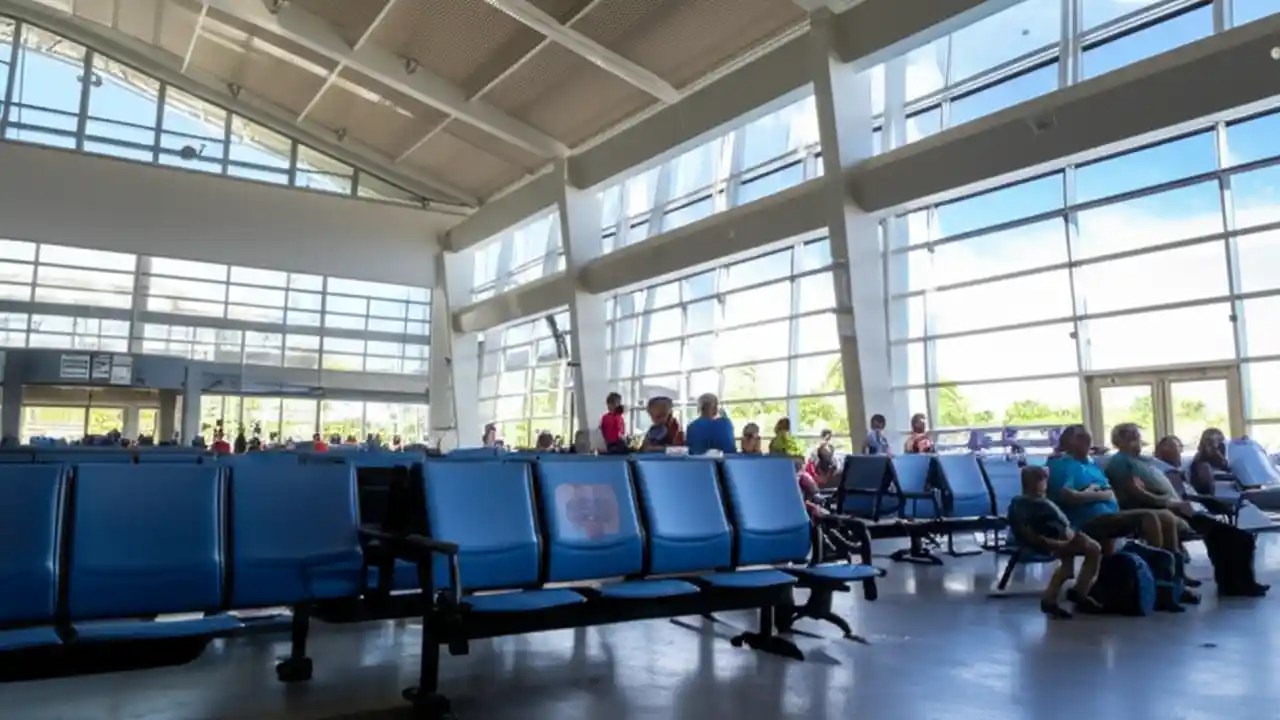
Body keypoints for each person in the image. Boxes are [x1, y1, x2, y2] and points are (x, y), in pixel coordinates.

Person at [1113, 427, 1268, 597]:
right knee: (1236, 538)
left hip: (1179, 507)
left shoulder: (1142, 461)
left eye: (1137, 435)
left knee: (1233, 538)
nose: (1136, 438)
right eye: (1130, 436)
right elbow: (1136, 493)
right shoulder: (1121, 462)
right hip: (1165, 510)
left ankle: (1235, 584)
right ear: (1118, 441)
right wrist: (1170, 502)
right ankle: (1235, 585)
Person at [1047, 425, 1181, 559]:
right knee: (1148, 517)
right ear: (1066, 442)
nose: (1087, 440)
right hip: (1085, 521)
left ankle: (1175, 570)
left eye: (1088, 437)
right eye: (1080, 437)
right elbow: (1068, 496)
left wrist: (1096, 493)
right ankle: (1157, 571)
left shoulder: (1090, 463)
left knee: (1165, 517)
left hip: (1110, 514)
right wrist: (1099, 494)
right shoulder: (1060, 464)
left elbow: (1109, 490)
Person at [1007, 466, 1104, 619]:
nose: (1045, 485)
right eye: (1042, 481)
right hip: (1050, 542)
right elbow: (1031, 532)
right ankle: (1069, 595)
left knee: (1087, 553)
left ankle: (1072, 594)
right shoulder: (1030, 504)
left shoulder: (1030, 501)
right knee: (1091, 551)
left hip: (1058, 539)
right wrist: (1061, 543)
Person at [1189, 428, 1232, 495]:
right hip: (1211, 498)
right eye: (1209, 444)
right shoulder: (1201, 464)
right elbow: (1208, 488)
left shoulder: (1222, 460)